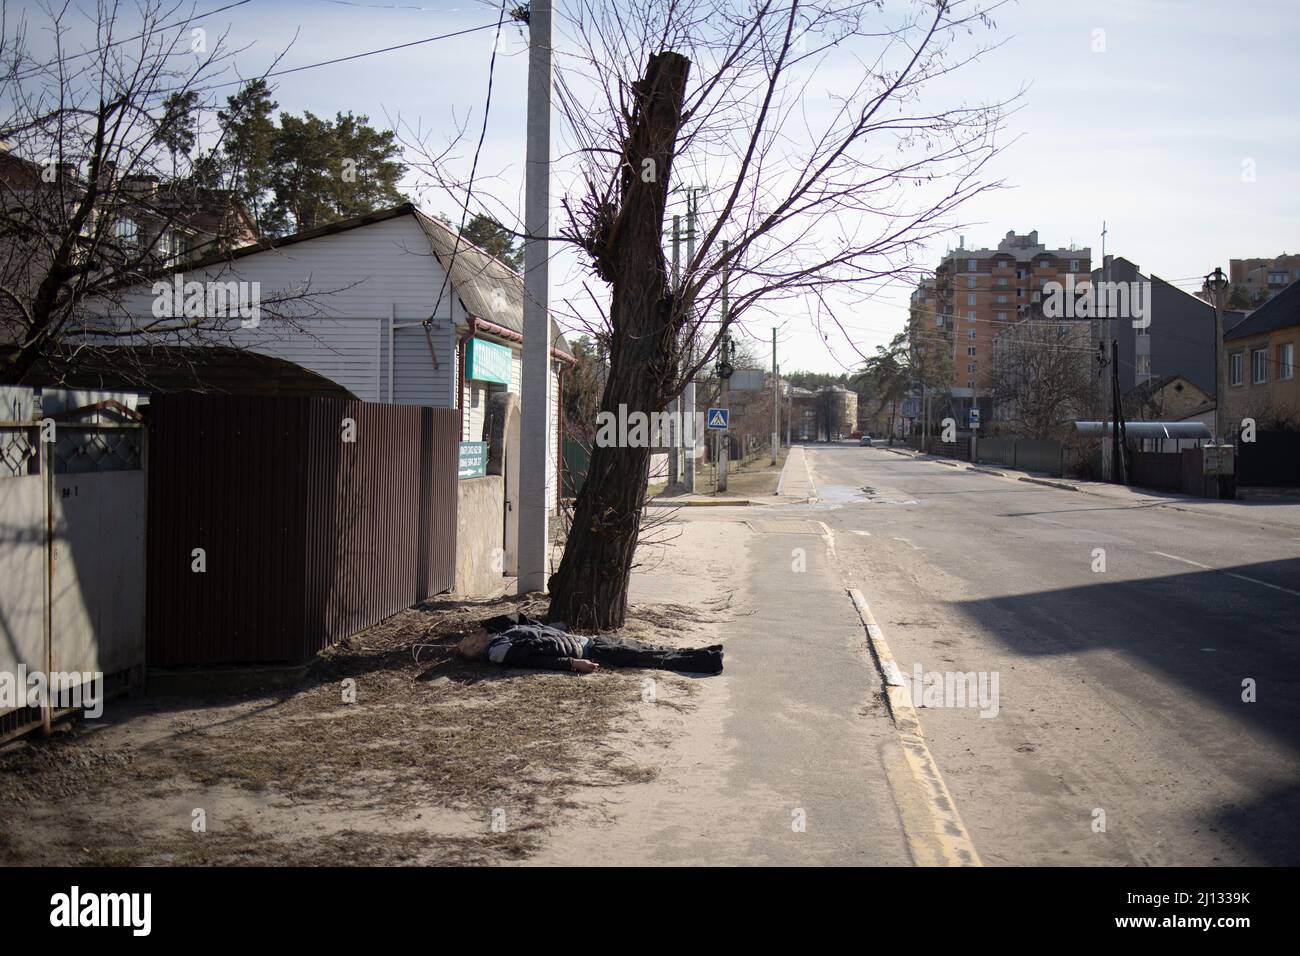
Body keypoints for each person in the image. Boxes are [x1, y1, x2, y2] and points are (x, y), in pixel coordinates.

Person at [455, 613, 723, 675]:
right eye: (471, 639)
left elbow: (520, 619)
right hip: (585, 650)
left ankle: (703, 652)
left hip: (587, 641)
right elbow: (537, 660)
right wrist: (574, 664)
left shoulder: (501, 635)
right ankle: (707, 662)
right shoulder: (500, 652)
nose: (474, 634)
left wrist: (492, 626)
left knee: (647, 647)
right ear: (476, 649)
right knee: (648, 658)